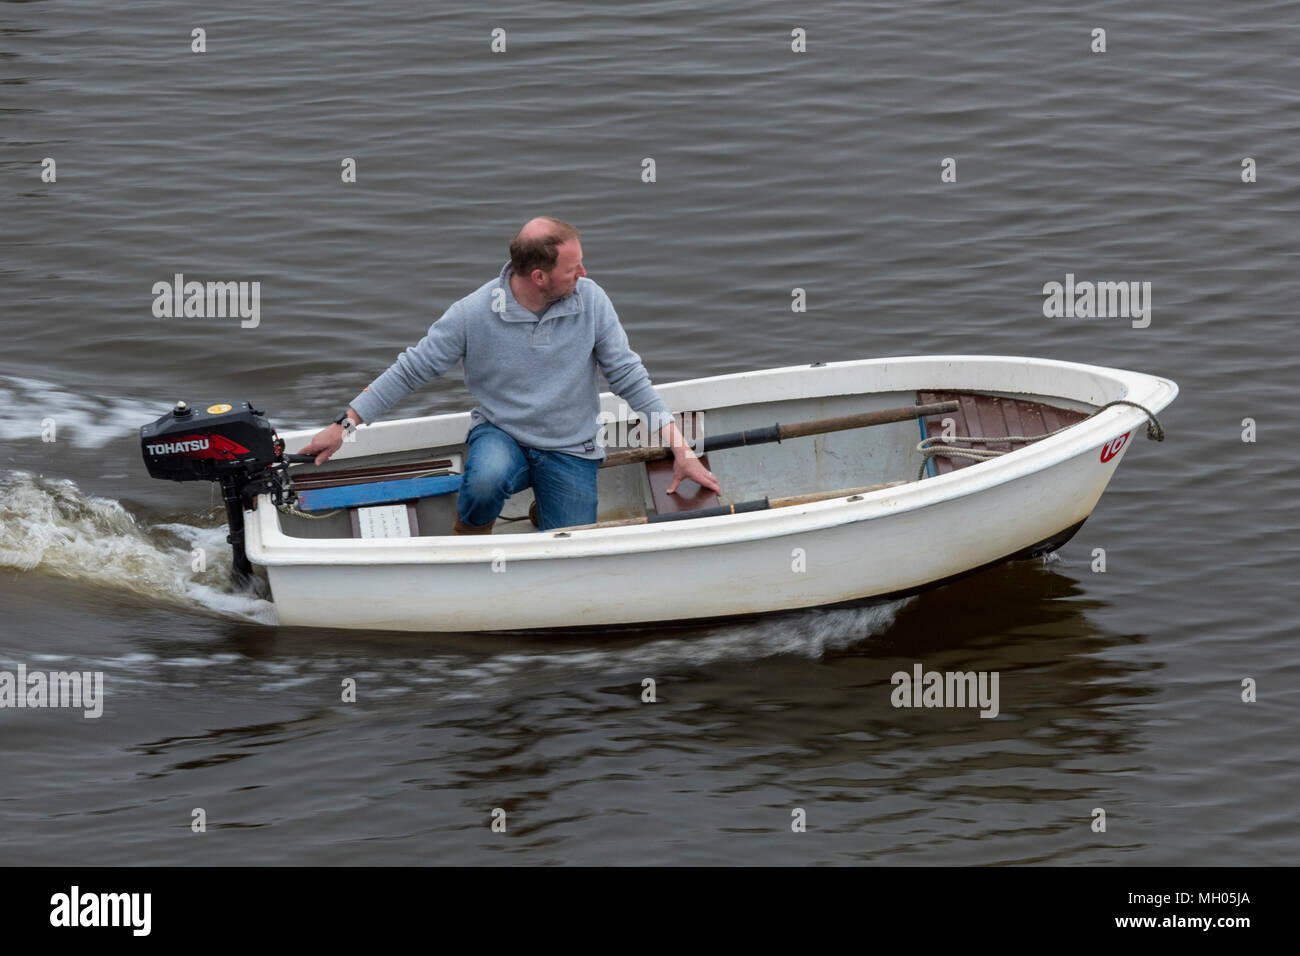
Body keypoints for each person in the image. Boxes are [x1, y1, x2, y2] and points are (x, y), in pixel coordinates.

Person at [299, 217, 721, 533]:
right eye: (573, 268)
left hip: (571, 446)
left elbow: (629, 377)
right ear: (539, 276)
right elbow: (411, 370)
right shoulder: (472, 314)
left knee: (571, 546)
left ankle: (545, 516)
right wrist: (344, 426)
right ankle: (469, 548)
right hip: (503, 435)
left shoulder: (591, 302)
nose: (584, 274)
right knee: (484, 483)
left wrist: (681, 451)